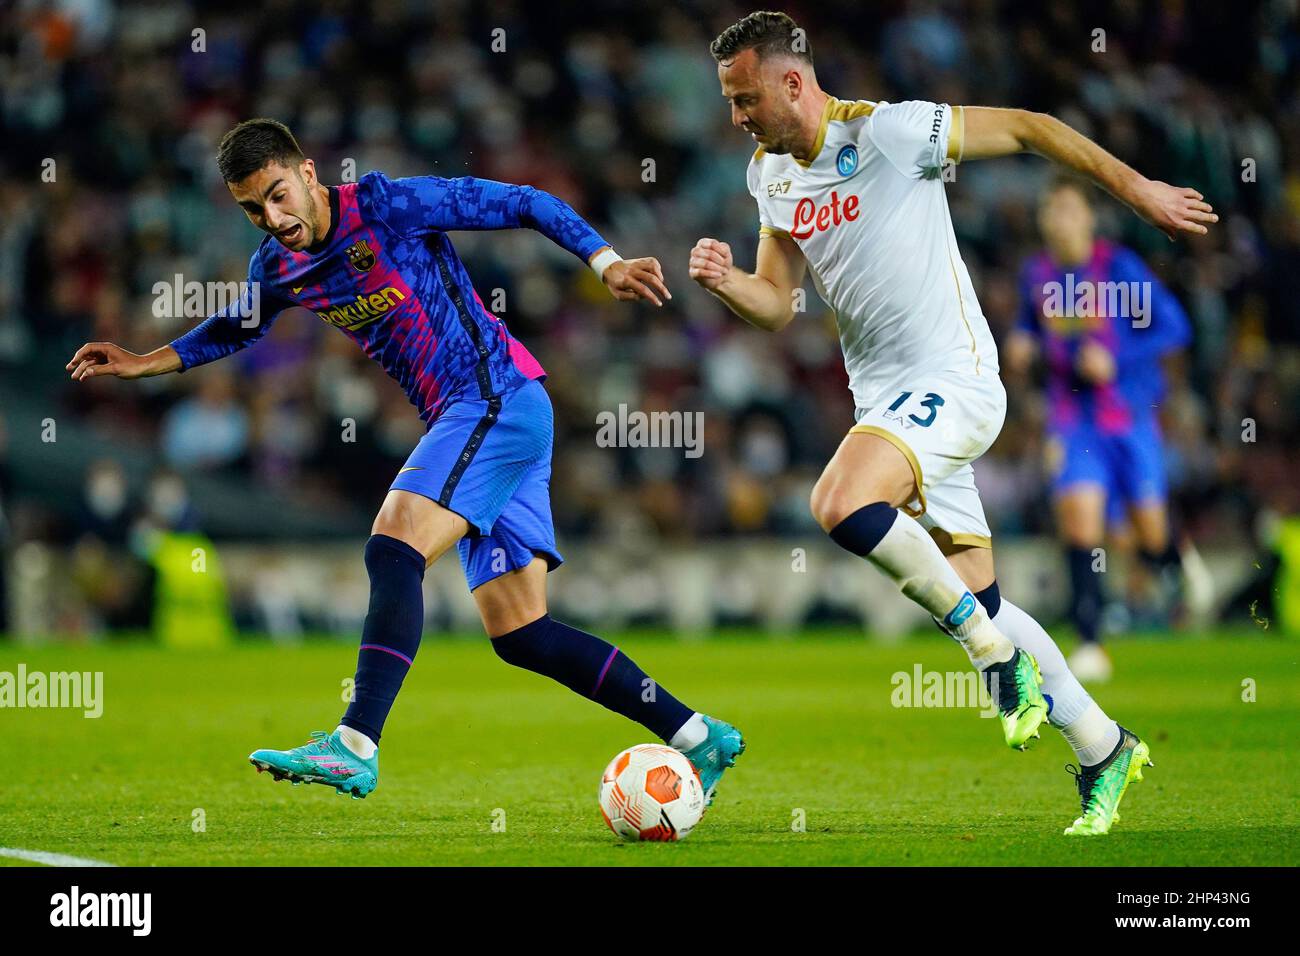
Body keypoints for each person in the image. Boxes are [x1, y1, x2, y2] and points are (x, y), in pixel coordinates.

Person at [67, 118, 744, 811]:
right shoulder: (278, 266)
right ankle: (696, 735)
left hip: (494, 398)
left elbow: (522, 201)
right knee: (522, 635)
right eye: (252, 209)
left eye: (277, 195)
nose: (272, 219)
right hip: (487, 416)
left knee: (394, 545)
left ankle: (355, 744)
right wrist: (146, 361)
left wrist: (607, 263)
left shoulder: (387, 206)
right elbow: (240, 323)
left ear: (307, 174)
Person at [688, 11, 1214, 835]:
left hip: (954, 383)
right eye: (729, 102)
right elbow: (776, 303)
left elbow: (1034, 128)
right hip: (890, 407)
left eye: (745, 98)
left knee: (838, 502)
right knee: (986, 599)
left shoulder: (895, 132)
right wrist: (726, 283)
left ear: (793, 81)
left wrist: (1138, 190)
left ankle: (988, 657)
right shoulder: (769, 176)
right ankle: (1104, 746)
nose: (736, 118)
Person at [1004, 176, 1193, 682]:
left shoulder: (1119, 268)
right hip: (1073, 420)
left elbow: (1176, 327)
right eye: (1049, 209)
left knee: (1147, 533)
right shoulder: (1037, 275)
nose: (1056, 219)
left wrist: (1118, 357)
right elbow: (1029, 326)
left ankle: (1173, 557)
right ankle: (1089, 639)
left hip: (1128, 418)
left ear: (1088, 217)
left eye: (1066, 208)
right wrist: (1022, 343)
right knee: (1079, 521)